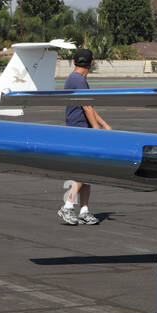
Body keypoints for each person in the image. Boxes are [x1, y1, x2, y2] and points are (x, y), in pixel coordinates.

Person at [60, 48, 110, 225]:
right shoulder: (79, 80)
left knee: (88, 173)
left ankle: (84, 210)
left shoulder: (74, 78)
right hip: (80, 130)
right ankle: (67, 206)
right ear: (91, 63)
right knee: (84, 172)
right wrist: (96, 130)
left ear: (74, 62)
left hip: (80, 128)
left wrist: (103, 125)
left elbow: (89, 106)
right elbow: (87, 108)